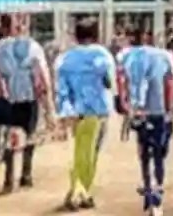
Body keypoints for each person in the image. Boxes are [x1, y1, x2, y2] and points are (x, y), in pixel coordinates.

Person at [54, 18, 116, 211]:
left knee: (80, 151)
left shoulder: (66, 59)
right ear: (96, 35)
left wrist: (64, 111)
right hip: (96, 109)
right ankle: (78, 191)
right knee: (90, 154)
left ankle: (82, 191)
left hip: (74, 110)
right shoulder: (103, 55)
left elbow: (62, 88)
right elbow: (109, 82)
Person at [0, 12, 54, 194]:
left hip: (7, 99)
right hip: (29, 98)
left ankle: (9, 178)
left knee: (10, 136)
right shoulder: (33, 47)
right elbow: (42, 78)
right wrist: (48, 105)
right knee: (30, 134)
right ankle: (26, 173)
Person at [119, 27, 173, 212]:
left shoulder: (126, 57)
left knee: (144, 151)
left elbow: (123, 83)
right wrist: (172, 109)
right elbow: (170, 84)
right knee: (160, 152)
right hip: (159, 109)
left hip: (139, 110)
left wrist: (126, 105)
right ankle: (157, 191)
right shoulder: (164, 56)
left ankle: (148, 188)